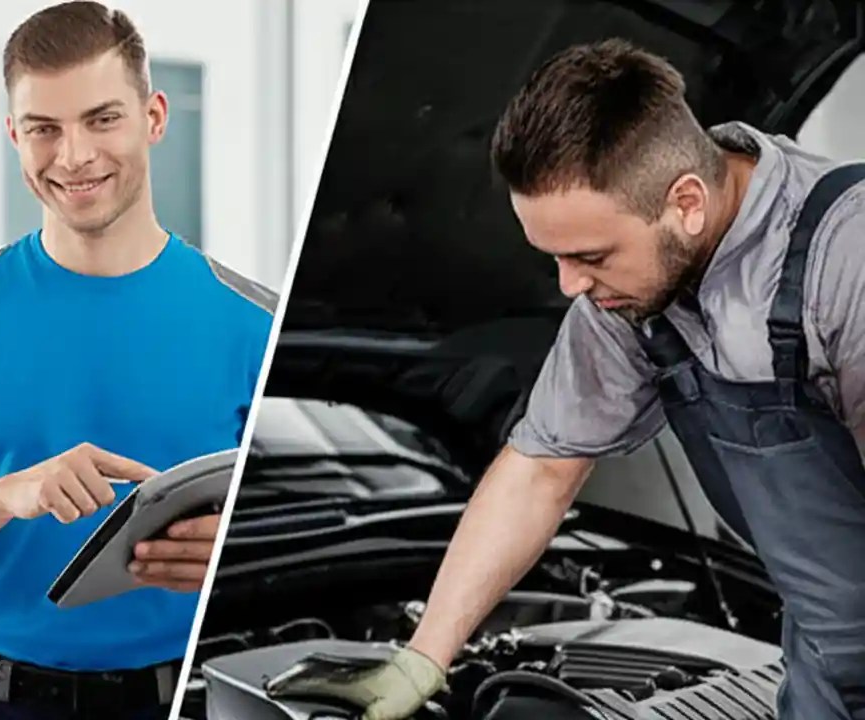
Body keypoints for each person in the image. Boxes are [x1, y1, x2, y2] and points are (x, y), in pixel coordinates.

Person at [275, 39, 865, 720]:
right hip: (826, 663)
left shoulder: (843, 257)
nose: (570, 286)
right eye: (555, 258)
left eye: (589, 256)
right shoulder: (636, 285)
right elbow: (542, 468)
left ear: (687, 204)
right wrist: (421, 659)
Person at [0, 3, 276, 719]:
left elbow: (294, 533)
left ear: (154, 117)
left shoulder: (256, 323)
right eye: (44, 128)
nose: (72, 155)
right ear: (15, 135)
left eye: (102, 119)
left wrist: (234, 555)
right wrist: (8, 496)